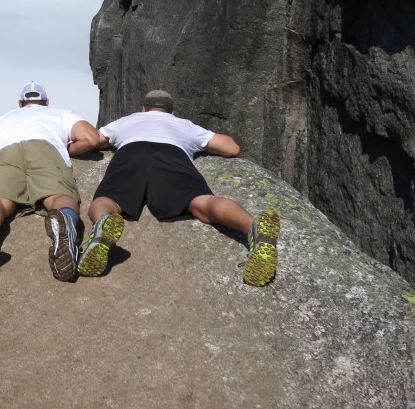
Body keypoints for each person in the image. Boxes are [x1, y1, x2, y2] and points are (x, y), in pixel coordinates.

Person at [77, 90, 280, 286]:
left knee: (108, 198)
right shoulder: (185, 125)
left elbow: (96, 140)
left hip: (132, 151)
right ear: (171, 112)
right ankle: (253, 229)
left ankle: (103, 226)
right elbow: (231, 148)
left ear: (143, 109)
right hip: (172, 154)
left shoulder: (128, 119)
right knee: (201, 202)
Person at [0, 81, 102, 288]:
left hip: (8, 153)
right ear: (46, 102)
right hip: (45, 149)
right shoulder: (62, 113)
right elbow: (92, 138)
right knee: (57, 197)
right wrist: (67, 149)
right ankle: (64, 222)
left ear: (20, 103)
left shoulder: (4, 119)